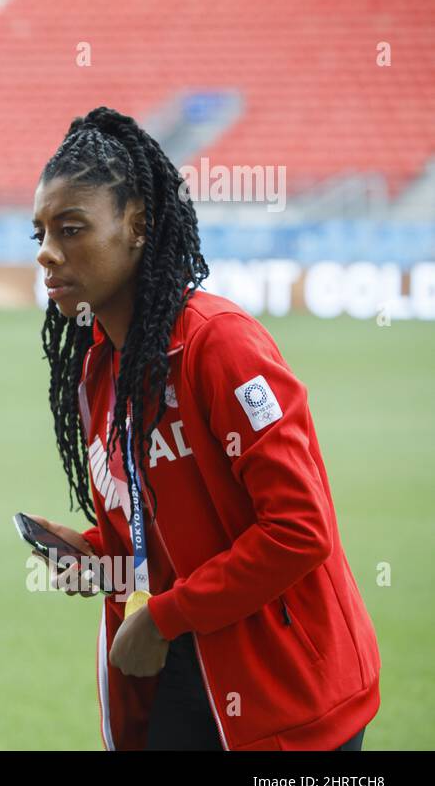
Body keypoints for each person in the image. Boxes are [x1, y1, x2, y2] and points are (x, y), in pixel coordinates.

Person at [25, 106, 380, 750]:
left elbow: (298, 530)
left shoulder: (221, 346)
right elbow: (152, 544)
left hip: (289, 697)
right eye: (40, 233)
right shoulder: (95, 375)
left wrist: (164, 617)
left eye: (71, 229)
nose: (48, 253)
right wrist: (97, 559)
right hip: (185, 678)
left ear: (136, 229)